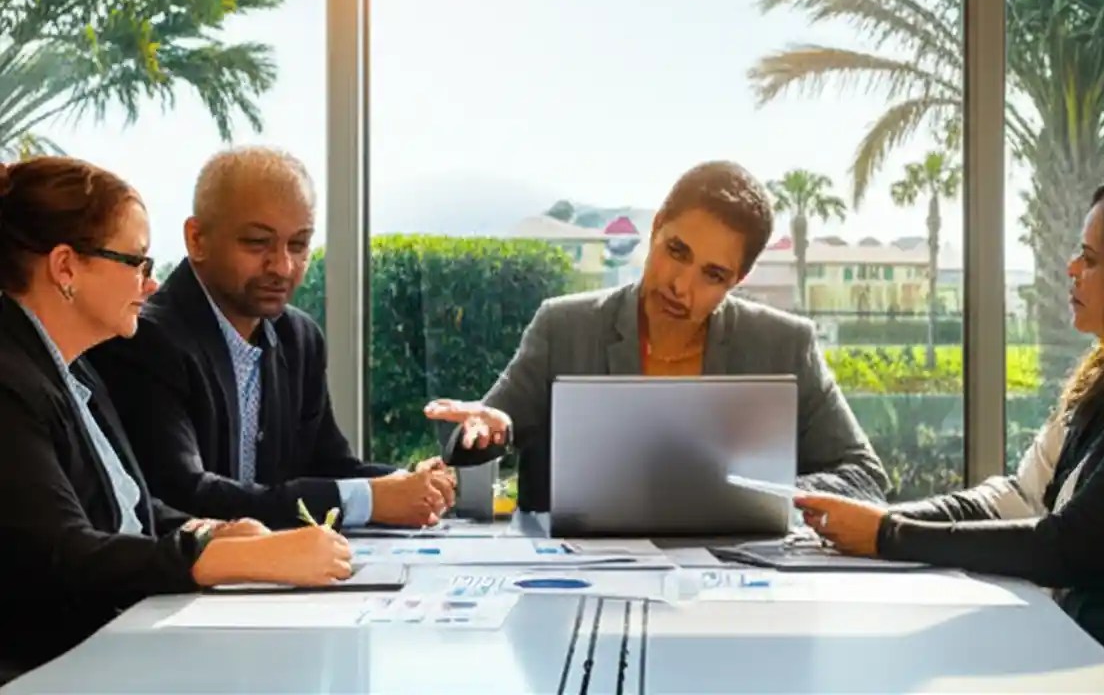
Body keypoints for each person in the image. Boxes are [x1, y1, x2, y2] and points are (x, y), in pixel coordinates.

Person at [795, 171, 1104, 677]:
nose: (1071, 268)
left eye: (1090, 259)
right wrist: (877, 520)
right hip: (1086, 654)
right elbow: (1023, 498)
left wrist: (887, 534)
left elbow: (1066, 547)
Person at [0, 156, 353, 672]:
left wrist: (214, 531)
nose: (151, 284)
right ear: (65, 267)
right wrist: (235, 558)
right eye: (136, 262)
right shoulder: (10, 381)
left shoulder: (74, 372)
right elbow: (65, 554)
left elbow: (130, 510)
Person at [425, 160, 890, 512]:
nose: (681, 286)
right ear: (656, 228)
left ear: (738, 280)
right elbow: (482, 432)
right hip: (576, 575)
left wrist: (766, 496)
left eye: (713, 274)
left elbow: (865, 477)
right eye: (677, 251)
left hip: (731, 582)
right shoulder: (564, 327)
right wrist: (488, 431)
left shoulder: (784, 345)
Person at [88, 146, 455, 530]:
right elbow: (183, 494)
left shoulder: (299, 338)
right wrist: (369, 498)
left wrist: (411, 484)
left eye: (298, 244)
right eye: (256, 242)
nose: (282, 266)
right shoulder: (144, 339)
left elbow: (328, 466)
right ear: (196, 240)